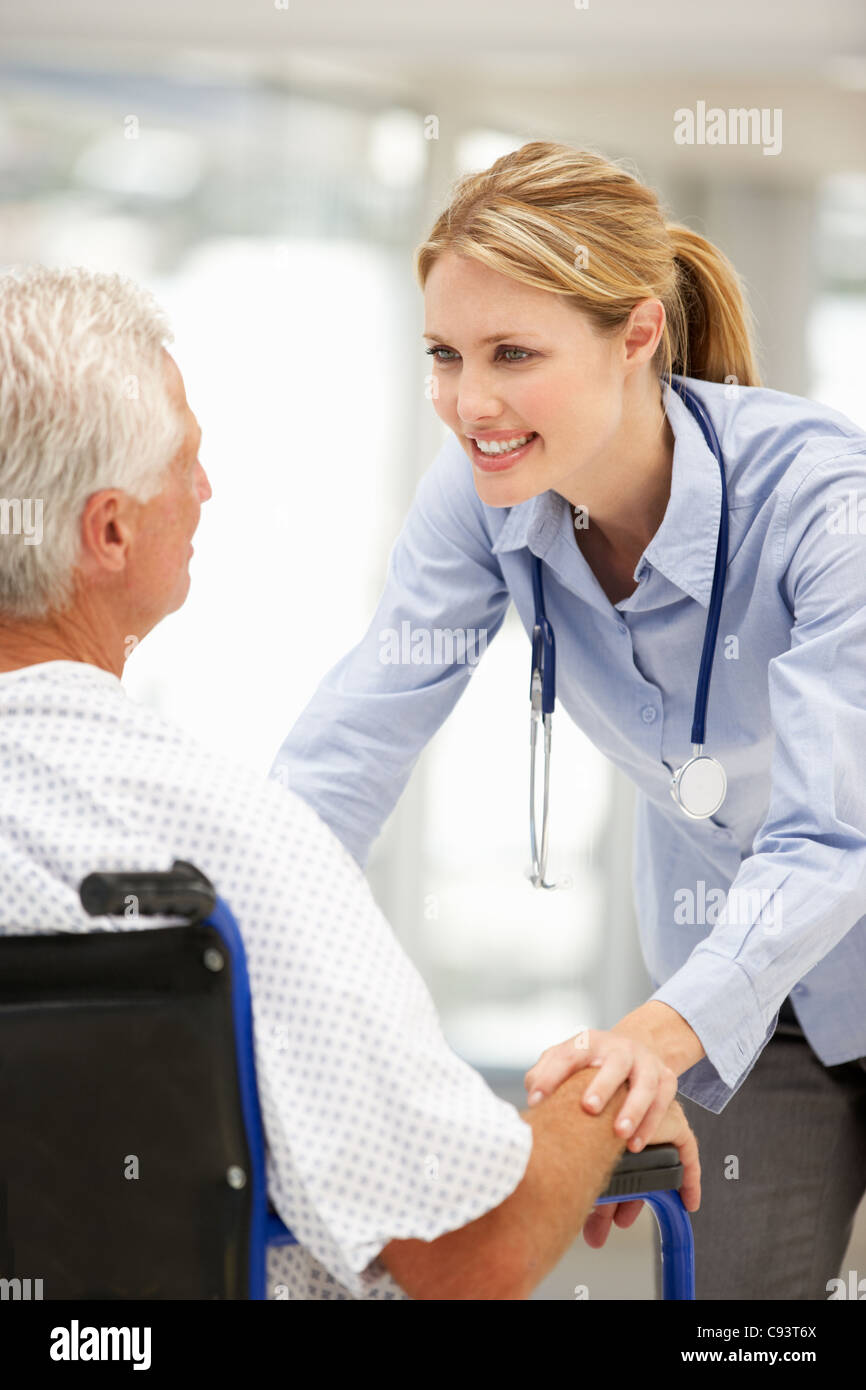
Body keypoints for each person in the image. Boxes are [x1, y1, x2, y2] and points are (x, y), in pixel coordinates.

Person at [0, 263, 699, 1301]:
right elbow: (468, 1252)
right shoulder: (214, 846)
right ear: (107, 531)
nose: (205, 489)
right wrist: (604, 1096)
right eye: (188, 462)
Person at [271, 140, 866, 1299]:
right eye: (444, 355)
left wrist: (650, 1033)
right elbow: (351, 745)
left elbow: (831, 833)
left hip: (726, 981)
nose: (466, 402)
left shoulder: (823, 506)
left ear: (635, 334)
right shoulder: (484, 497)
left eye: (511, 354)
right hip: (753, 1003)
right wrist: (221, 951)